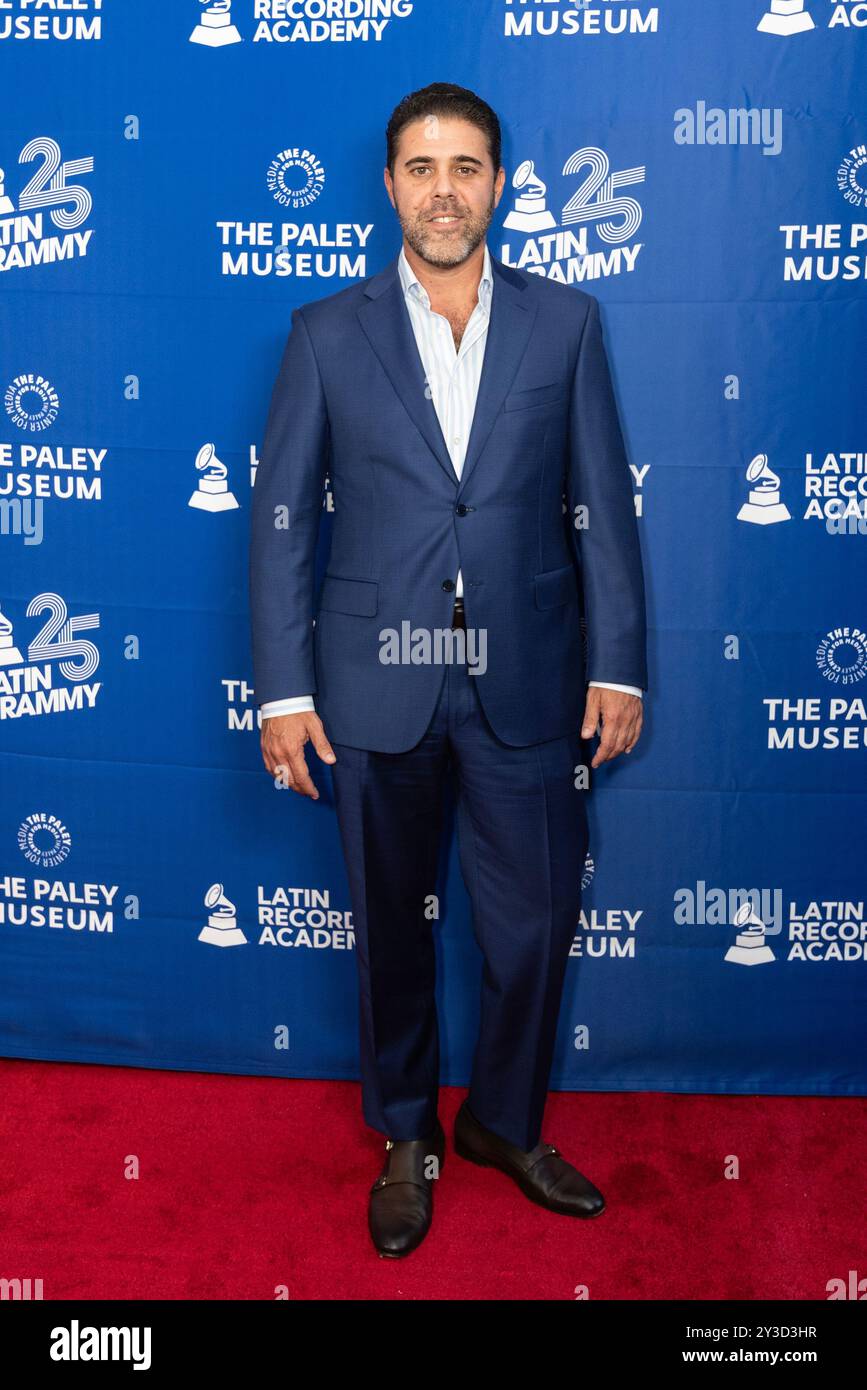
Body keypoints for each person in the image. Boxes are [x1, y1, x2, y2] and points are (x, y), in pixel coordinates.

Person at [249, 82, 648, 1259]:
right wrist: (283, 687)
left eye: (465, 167)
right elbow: (279, 520)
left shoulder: (567, 323)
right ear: (389, 185)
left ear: (499, 183)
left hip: (525, 672)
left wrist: (618, 661)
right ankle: (408, 1135)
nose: (443, 190)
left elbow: (603, 512)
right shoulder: (326, 332)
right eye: (420, 168)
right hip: (374, 680)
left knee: (533, 930)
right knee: (389, 930)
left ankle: (506, 1125)